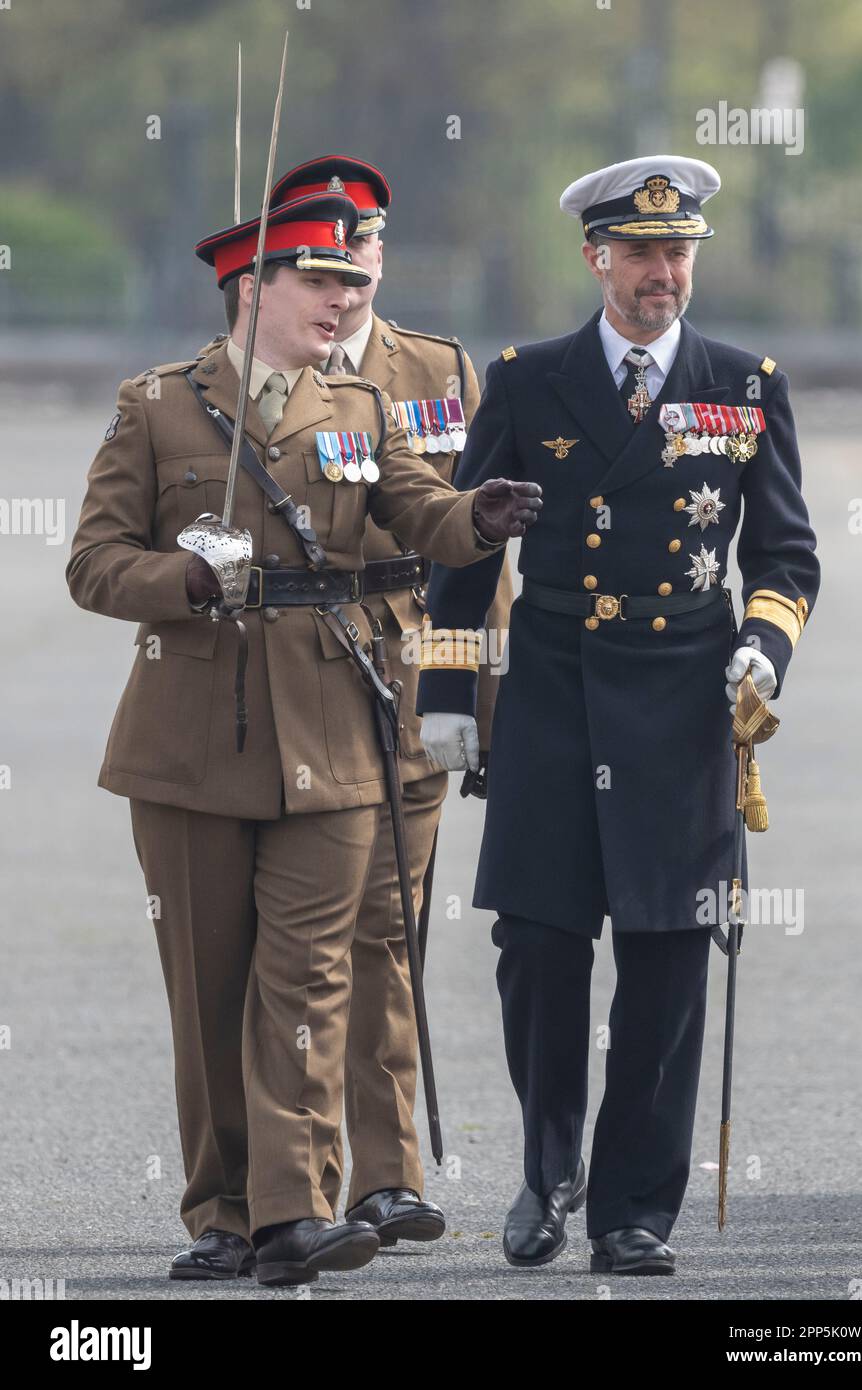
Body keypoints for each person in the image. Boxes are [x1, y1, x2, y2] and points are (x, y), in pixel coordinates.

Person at [65, 189, 540, 1286]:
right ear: (253, 289)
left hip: (336, 723)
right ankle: (223, 1210)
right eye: (318, 282)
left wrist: (477, 518)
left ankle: (293, 1209)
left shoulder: (363, 407)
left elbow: (417, 509)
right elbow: (92, 564)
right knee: (210, 982)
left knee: (312, 973)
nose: (343, 298)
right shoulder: (156, 408)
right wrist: (181, 576)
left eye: (349, 280)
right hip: (192, 735)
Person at [417, 156, 820, 1275]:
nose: (660, 273)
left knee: (669, 954)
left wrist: (763, 644)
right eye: (639, 252)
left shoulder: (742, 384)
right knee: (536, 944)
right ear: (595, 257)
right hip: (551, 685)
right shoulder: (528, 377)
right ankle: (549, 1172)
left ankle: (634, 1207)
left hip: (685, 693)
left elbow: (784, 552)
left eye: (677, 251)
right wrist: (447, 687)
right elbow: (464, 542)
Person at [262, 156, 514, 1244]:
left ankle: (390, 1174)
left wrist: (473, 692)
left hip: (409, 665)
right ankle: (289, 1189)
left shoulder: (438, 364)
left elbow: (471, 556)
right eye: (321, 256)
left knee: (392, 931)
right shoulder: (260, 370)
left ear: (380, 252)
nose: (346, 273)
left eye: (358, 248)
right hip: (296, 675)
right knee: (304, 945)